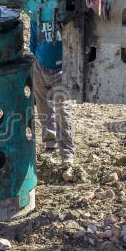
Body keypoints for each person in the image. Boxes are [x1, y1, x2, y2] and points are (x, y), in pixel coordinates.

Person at [30, 17, 74, 167]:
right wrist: (37, 58)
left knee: (62, 110)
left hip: (61, 70)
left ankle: (67, 152)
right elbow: (33, 39)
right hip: (39, 66)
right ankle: (50, 144)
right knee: (43, 107)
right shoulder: (37, 14)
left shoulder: (65, 15)